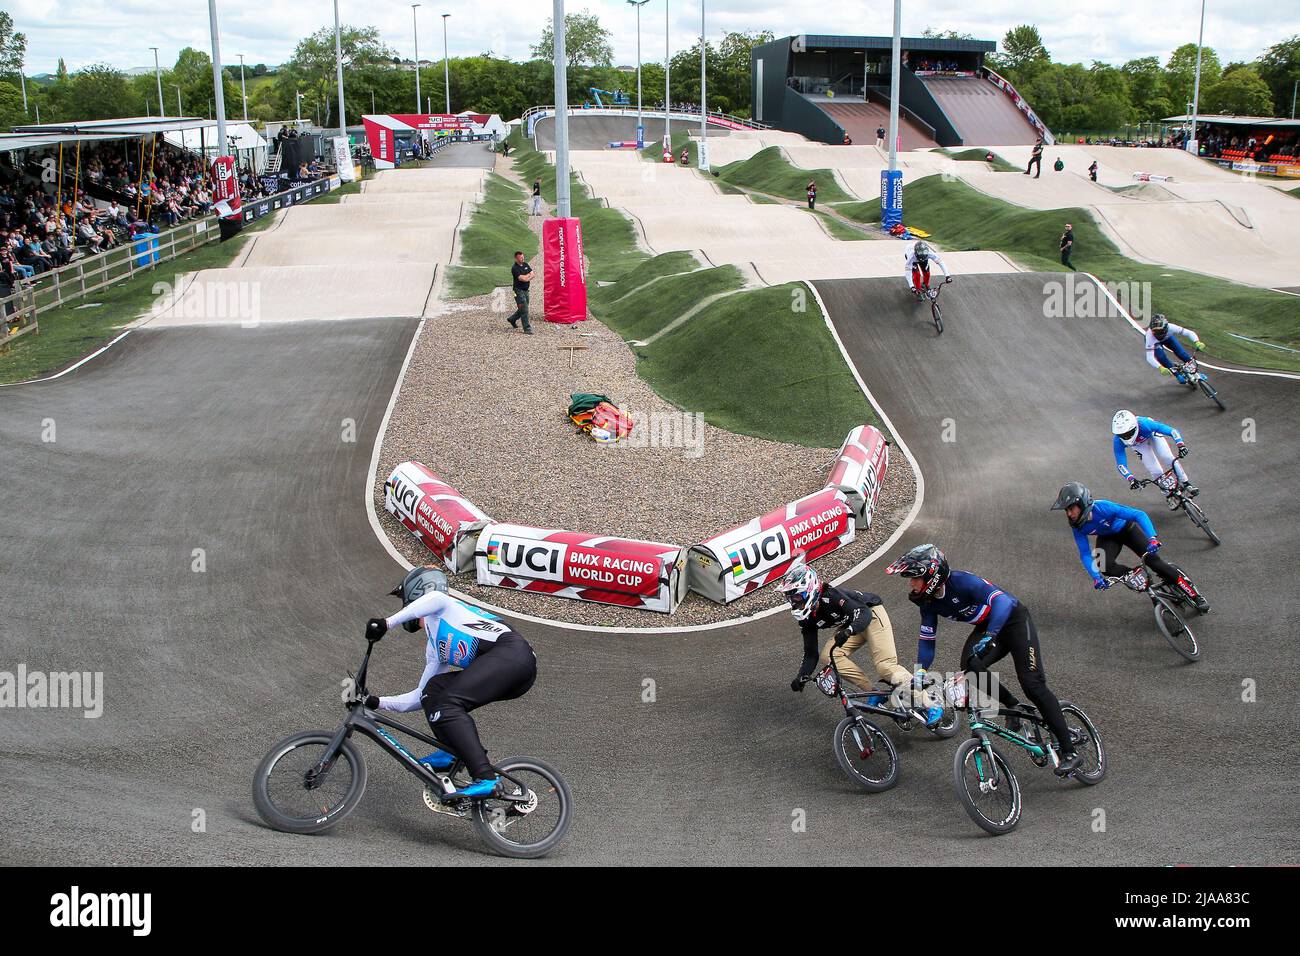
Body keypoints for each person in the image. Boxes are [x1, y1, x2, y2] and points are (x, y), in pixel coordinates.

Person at [885, 544, 1081, 775]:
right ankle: (1012, 706)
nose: (911, 584)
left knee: (1032, 684)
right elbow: (927, 639)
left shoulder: (962, 582)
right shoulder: (929, 604)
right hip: (988, 628)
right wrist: (920, 671)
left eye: (914, 578)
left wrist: (991, 635)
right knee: (969, 665)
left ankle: (1069, 751)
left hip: (1013, 621)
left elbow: (1003, 602)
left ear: (932, 575)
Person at [363, 567, 537, 799]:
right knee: (433, 692)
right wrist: (376, 702)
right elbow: (419, 696)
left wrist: (387, 623)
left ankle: (486, 778)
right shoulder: (435, 647)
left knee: (447, 703)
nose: (405, 608)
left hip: (513, 655)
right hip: (509, 671)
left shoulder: (443, 607)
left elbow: (437, 598)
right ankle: (452, 752)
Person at [778, 559, 942, 726]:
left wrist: (849, 631)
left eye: (797, 596)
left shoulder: (831, 596)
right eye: (790, 598)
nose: (794, 602)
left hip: (870, 614)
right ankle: (874, 692)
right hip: (853, 625)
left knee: (885, 667)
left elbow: (864, 614)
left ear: (810, 589)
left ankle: (931, 704)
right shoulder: (807, 618)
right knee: (828, 656)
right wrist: (801, 676)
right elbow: (811, 653)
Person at [1051, 482, 1209, 612]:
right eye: (1067, 510)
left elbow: (1138, 514)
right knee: (1104, 566)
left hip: (1127, 530)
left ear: (1081, 503)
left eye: (1071, 509)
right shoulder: (1077, 526)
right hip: (1107, 537)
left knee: (1154, 562)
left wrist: (1152, 538)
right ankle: (1141, 579)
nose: (1069, 514)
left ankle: (1195, 595)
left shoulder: (1103, 507)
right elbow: (1085, 553)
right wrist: (1096, 577)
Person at [1111, 409, 1198, 504]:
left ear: (1135, 427)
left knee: (1167, 457)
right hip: (1138, 445)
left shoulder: (1145, 424)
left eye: (1128, 433)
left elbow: (1172, 431)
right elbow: (1121, 464)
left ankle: (1186, 483)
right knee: (1156, 471)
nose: (1125, 437)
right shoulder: (1118, 441)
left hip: (1152, 435)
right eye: (1121, 435)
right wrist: (1131, 479)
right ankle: (1168, 494)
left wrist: (1181, 445)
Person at [1144, 313, 1205, 381]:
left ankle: (1196, 373)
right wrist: (1160, 367)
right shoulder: (1149, 337)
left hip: (1168, 338)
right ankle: (1177, 375)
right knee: (1161, 357)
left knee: (1182, 354)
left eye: (1159, 331)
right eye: (1154, 331)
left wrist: (1197, 341)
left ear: (1165, 329)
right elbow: (1149, 357)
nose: (1156, 333)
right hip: (1156, 343)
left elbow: (1189, 333)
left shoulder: (1171, 327)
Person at [507, 250, 533, 333]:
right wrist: (528, 276)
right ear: (516, 258)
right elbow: (521, 278)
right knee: (524, 308)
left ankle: (512, 319)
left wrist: (527, 277)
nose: (522, 258)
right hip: (518, 291)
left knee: (523, 308)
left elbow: (533, 274)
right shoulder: (515, 268)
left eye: (523, 256)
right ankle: (527, 328)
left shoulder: (525, 264)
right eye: (520, 257)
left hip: (526, 290)